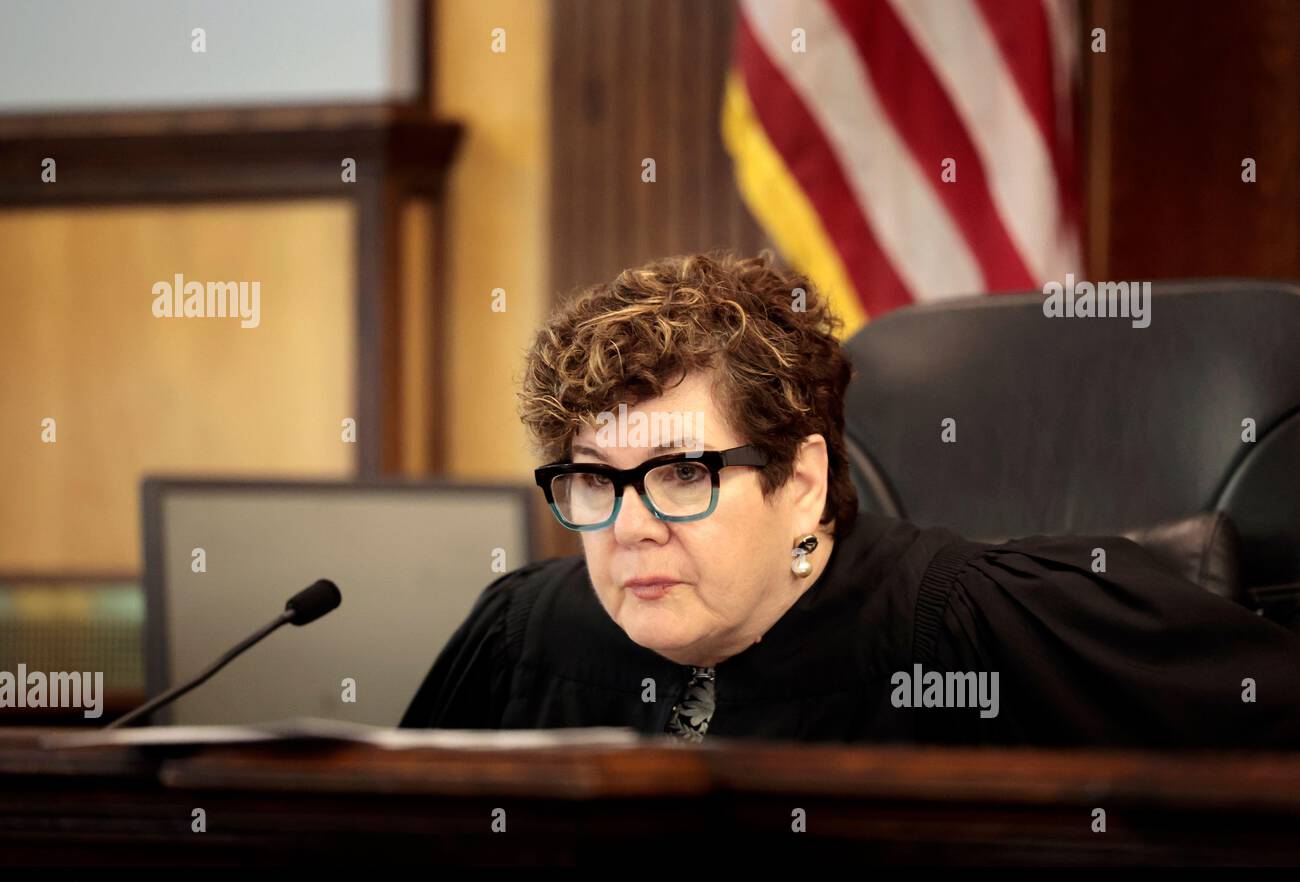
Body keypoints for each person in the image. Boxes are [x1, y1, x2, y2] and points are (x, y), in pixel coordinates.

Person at [400, 251, 1300, 748]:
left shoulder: (979, 625)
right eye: (594, 477)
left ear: (802, 481)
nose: (628, 526)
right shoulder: (525, 640)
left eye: (682, 474)